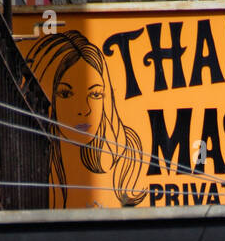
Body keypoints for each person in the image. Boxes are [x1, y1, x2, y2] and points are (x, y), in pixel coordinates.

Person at [26, 28, 146, 209]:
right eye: (65, 94)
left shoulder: (127, 162)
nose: (84, 109)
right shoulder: (28, 168)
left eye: (95, 94)